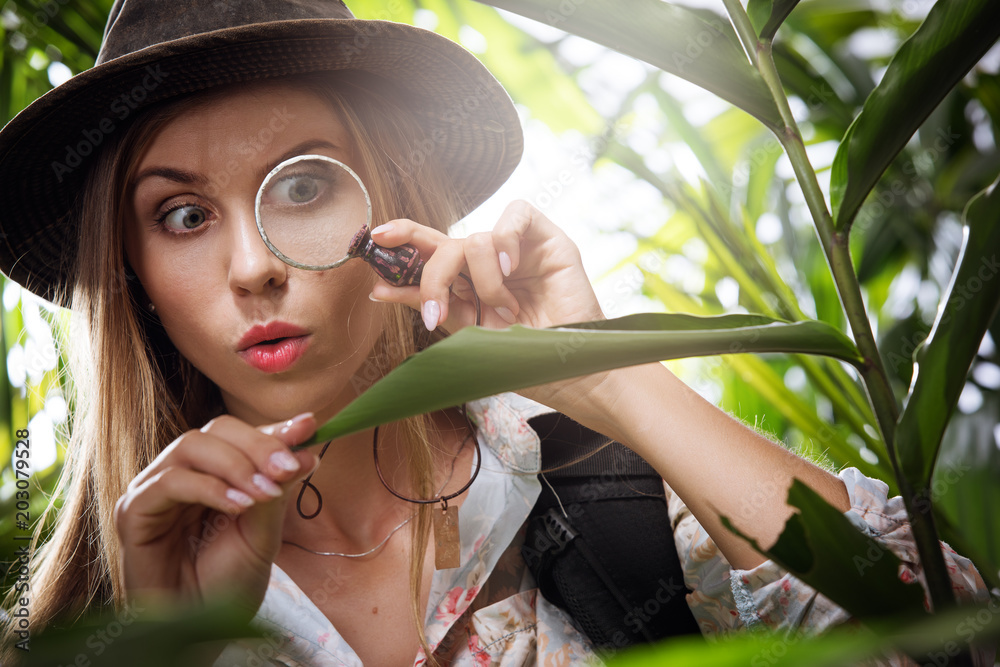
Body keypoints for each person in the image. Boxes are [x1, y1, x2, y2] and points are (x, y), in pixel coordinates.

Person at [0, 1, 990, 665]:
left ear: (385, 205)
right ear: (132, 275)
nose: (254, 265)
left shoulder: (598, 489)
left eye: (300, 186)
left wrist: (611, 383)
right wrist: (175, 642)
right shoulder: (85, 625)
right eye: (182, 214)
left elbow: (949, 634)